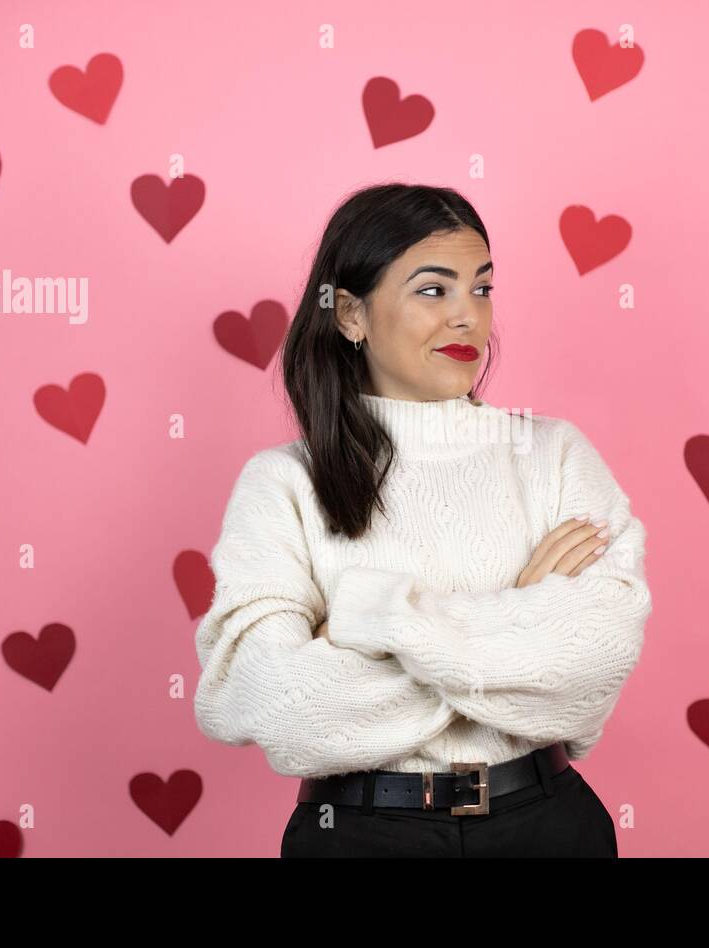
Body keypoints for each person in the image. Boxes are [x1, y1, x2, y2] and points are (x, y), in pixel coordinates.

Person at [192, 183, 652, 857]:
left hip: (547, 827)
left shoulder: (554, 455)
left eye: (483, 288)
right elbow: (277, 710)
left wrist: (371, 620)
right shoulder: (284, 483)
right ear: (349, 314)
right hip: (357, 837)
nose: (468, 317)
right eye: (434, 291)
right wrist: (521, 613)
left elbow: (595, 671)